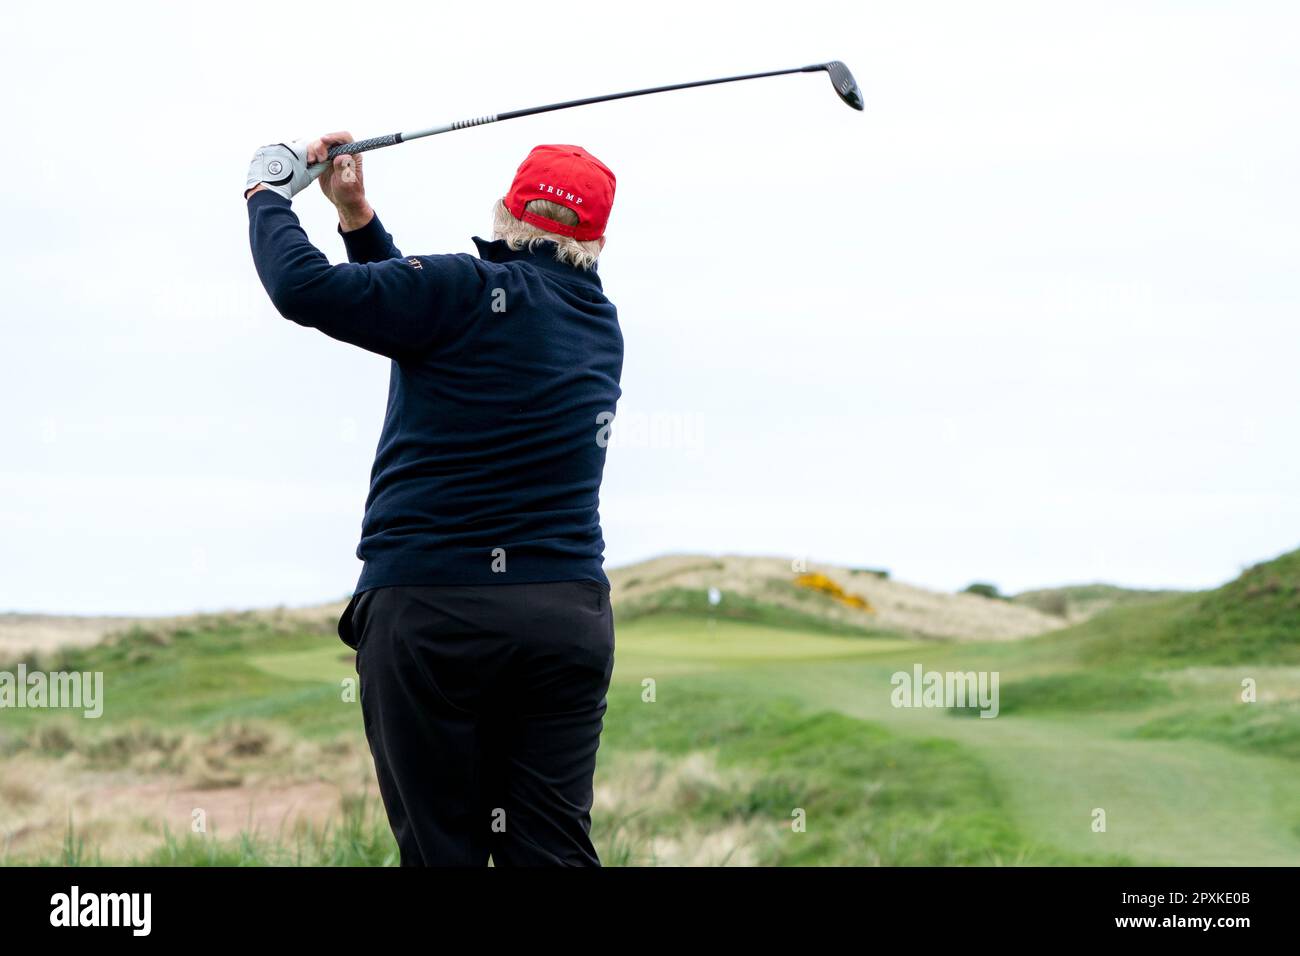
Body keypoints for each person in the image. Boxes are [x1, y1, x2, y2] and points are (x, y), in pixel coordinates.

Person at [243, 134, 622, 866]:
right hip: (564, 618)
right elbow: (417, 317)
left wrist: (267, 192)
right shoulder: (598, 325)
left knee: (442, 852)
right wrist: (357, 221)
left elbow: (304, 290)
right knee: (549, 853)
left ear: (508, 212)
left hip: (433, 613)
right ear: (597, 239)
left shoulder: (464, 290)